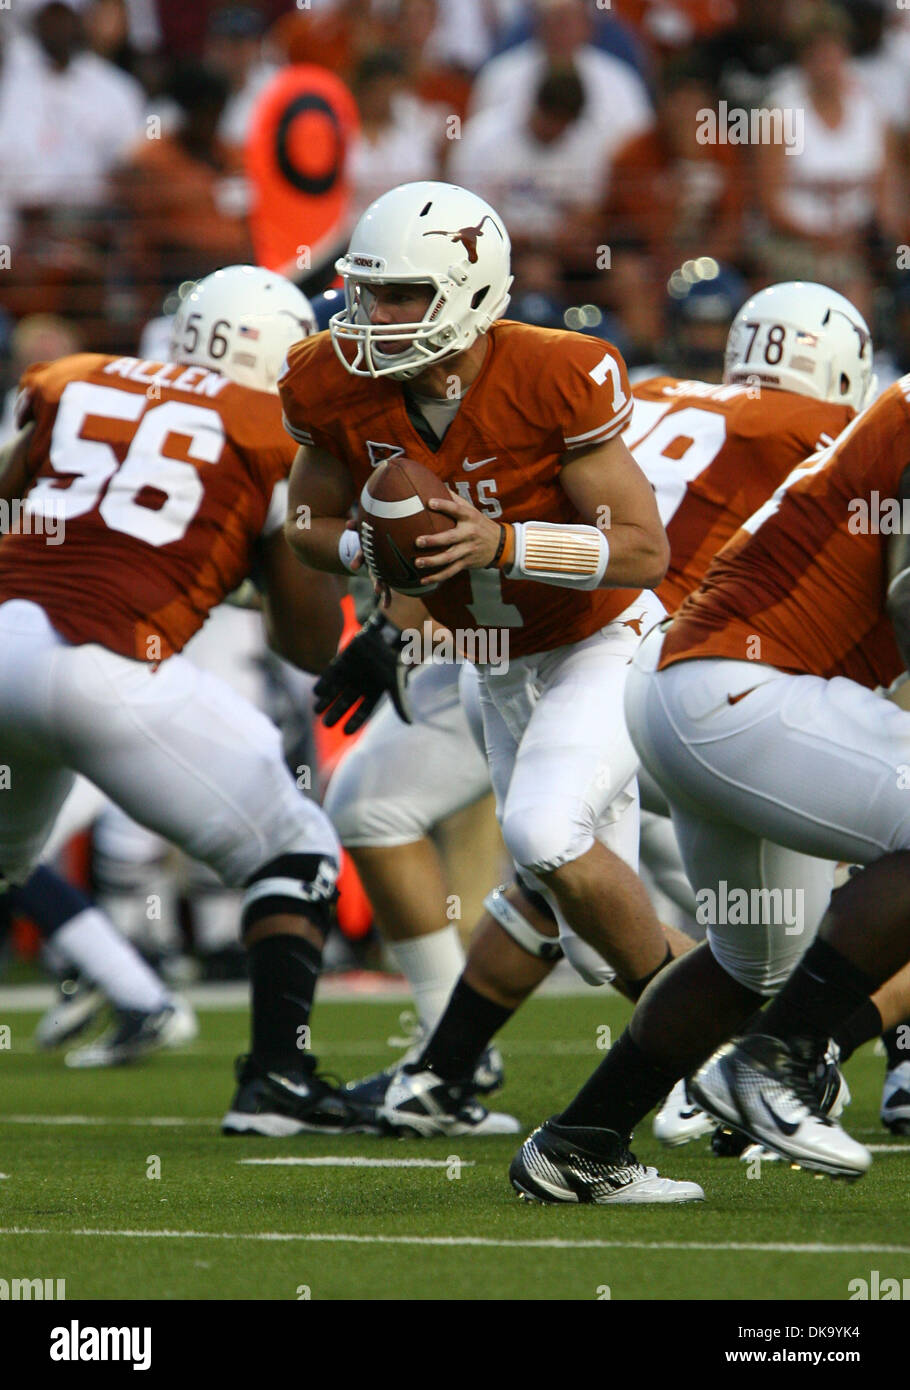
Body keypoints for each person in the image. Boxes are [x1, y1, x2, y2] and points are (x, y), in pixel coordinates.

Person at [511, 296, 910, 1197]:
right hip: (738, 689)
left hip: (681, 687)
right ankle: (779, 1059)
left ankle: (580, 1144)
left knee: (750, 961)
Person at [0, 264, 375, 1137]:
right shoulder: (271, 429)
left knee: (9, 869)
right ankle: (278, 1084)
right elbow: (308, 644)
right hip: (105, 662)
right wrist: (250, 575)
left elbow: (15, 504)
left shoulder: (76, 378)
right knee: (296, 845)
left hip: (6, 635)